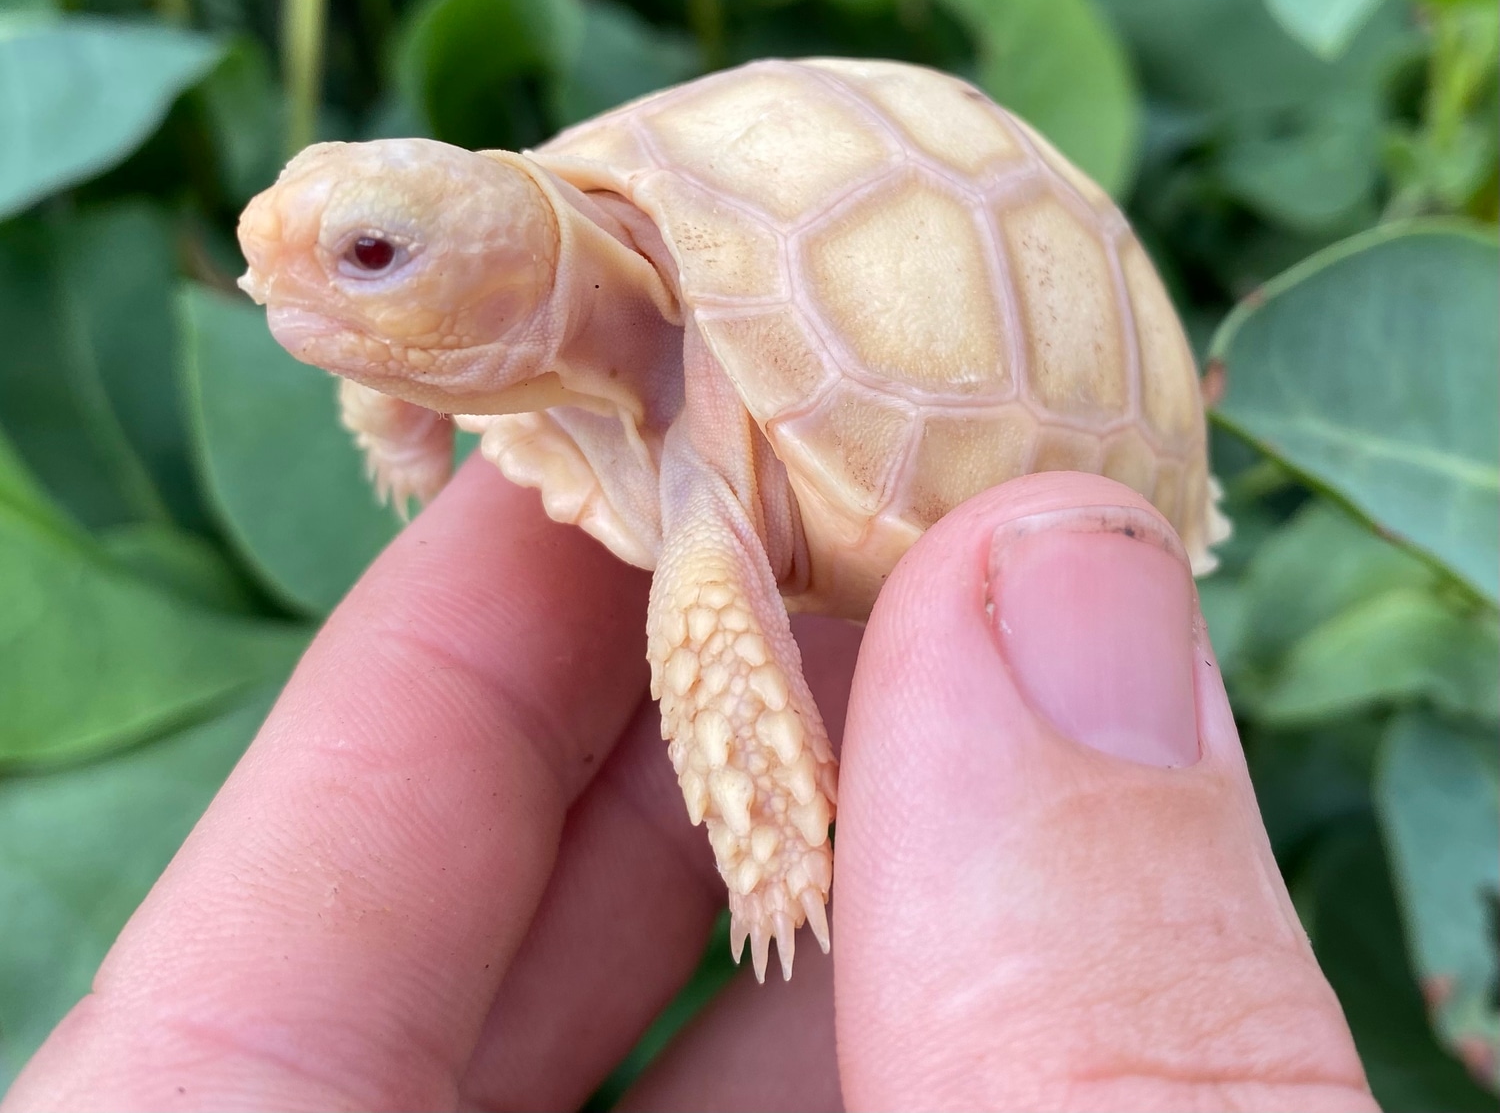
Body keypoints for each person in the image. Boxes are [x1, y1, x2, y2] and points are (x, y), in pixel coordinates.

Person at [3, 463, 1379, 1112]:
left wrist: (782, 848)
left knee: (706, 619)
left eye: (368, 254)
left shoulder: (701, 480)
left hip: (1043, 479)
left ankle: (783, 862)